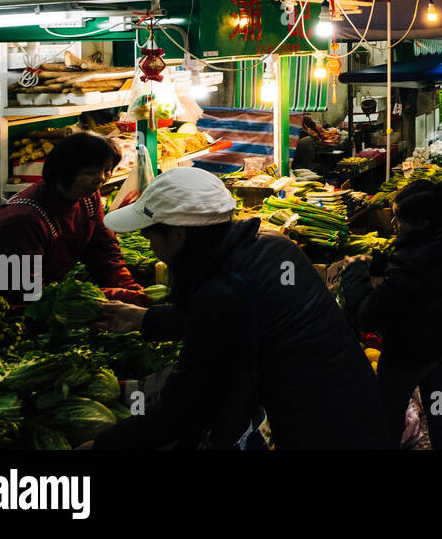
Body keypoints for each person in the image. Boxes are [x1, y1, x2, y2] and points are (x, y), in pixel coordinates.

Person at [92, 168, 389, 449]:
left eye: (150, 237)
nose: (152, 247)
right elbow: (232, 321)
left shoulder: (222, 289)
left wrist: (103, 445)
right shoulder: (270, 245)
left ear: (178, 234)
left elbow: (185, 406)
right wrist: (144, 319)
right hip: (353, 403)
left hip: (321, 429)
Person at [338, 179, 442, 450]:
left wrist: (355, 275)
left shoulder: (409, 270)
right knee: (440, 410)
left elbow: (369, 316)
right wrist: (387, 261)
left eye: (399, 219)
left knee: (387, 420)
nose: (393, 223)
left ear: (420, 223)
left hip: (408, 356)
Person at [0, 131, 147, 305]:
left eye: (107, 170)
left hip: (50, 296)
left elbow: (103, 249)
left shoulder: (86, 196)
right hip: (13, 308)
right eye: (90, 173)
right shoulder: (22, 221)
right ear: (62, 173)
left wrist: (129, 288)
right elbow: (26, 292)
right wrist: (109, 296)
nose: (101, 179)